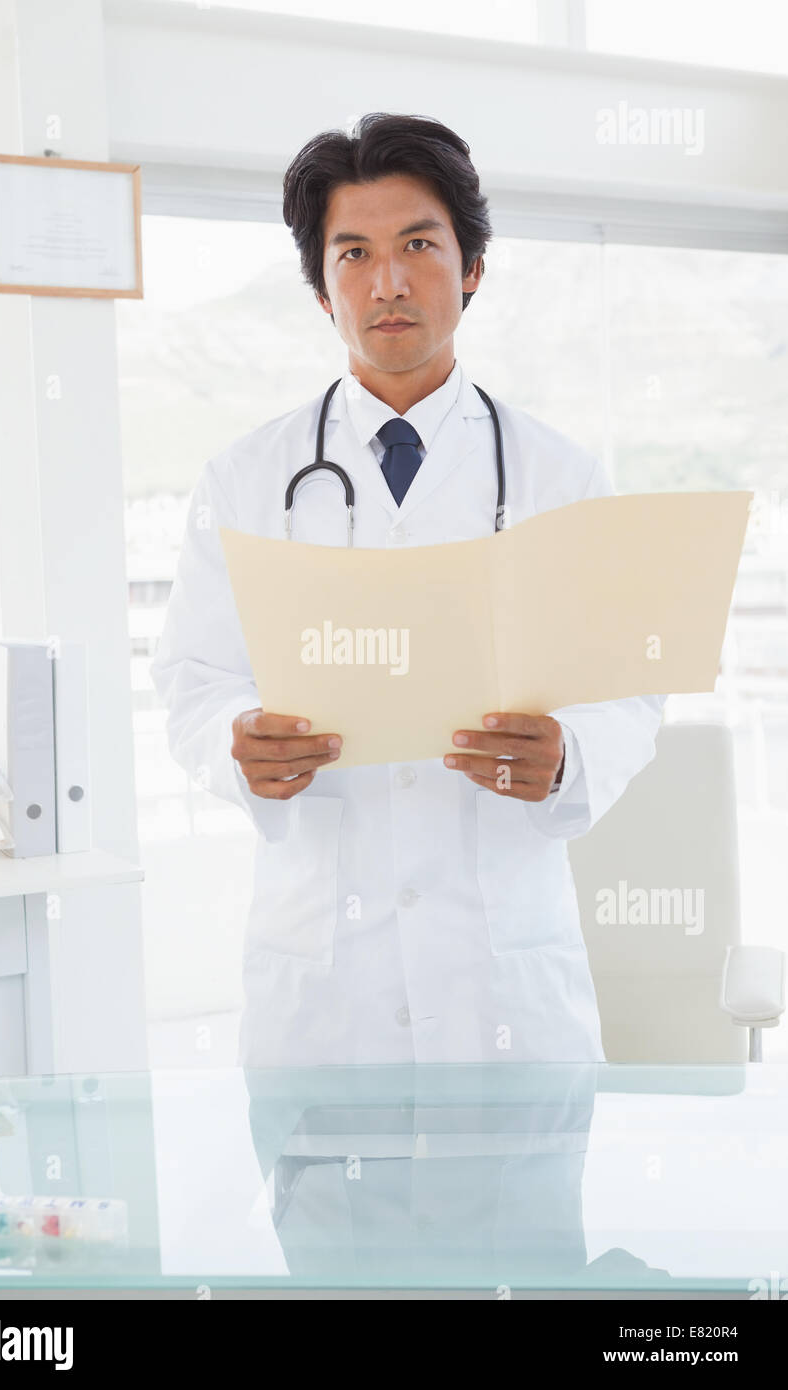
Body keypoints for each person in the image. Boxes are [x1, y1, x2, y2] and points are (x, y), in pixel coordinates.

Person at [150, 112, 667, 1067]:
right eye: (354, 254)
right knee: (326, 1218)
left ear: (471, 267)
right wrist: (238, 745)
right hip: (322, 997)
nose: (387, 282)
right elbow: (192, 675)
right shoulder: (245, 480)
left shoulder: (562, 478)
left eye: (419, 245)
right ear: (320, 290)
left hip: (505, 993)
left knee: (520, 1220)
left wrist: (566, 757)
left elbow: (629, 691)